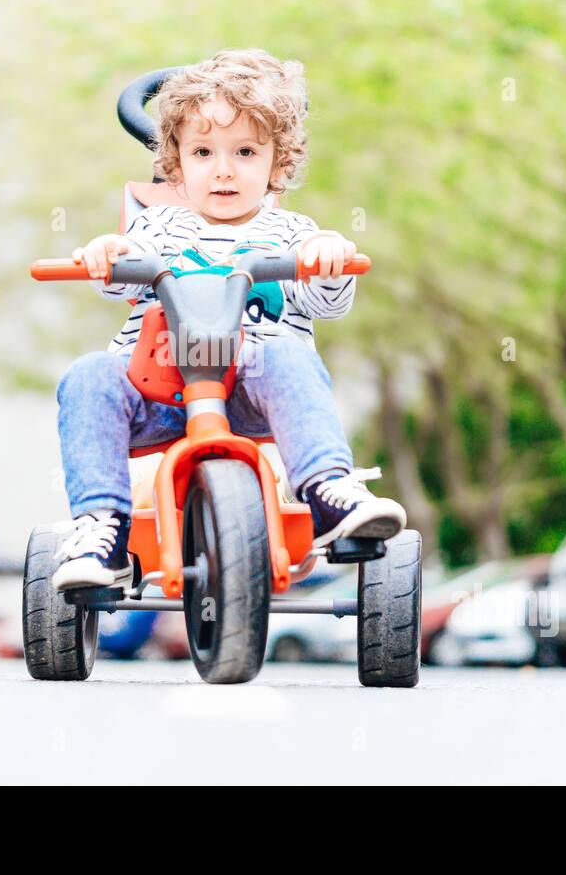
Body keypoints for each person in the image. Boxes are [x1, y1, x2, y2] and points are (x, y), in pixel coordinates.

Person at [52, 48, 405, 591]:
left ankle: (328, 488)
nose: (223, 169)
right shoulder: (160, 227)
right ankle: (101, 525)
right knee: (88, 375)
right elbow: (120, 277)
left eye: (244, 151)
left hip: (252, 392)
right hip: (160, 388)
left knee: (288, 354)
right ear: (175, 164)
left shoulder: (292, 234)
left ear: (278, 164)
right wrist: (106, 253)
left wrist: (330, 261)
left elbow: (326, 305)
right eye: (202, 152)